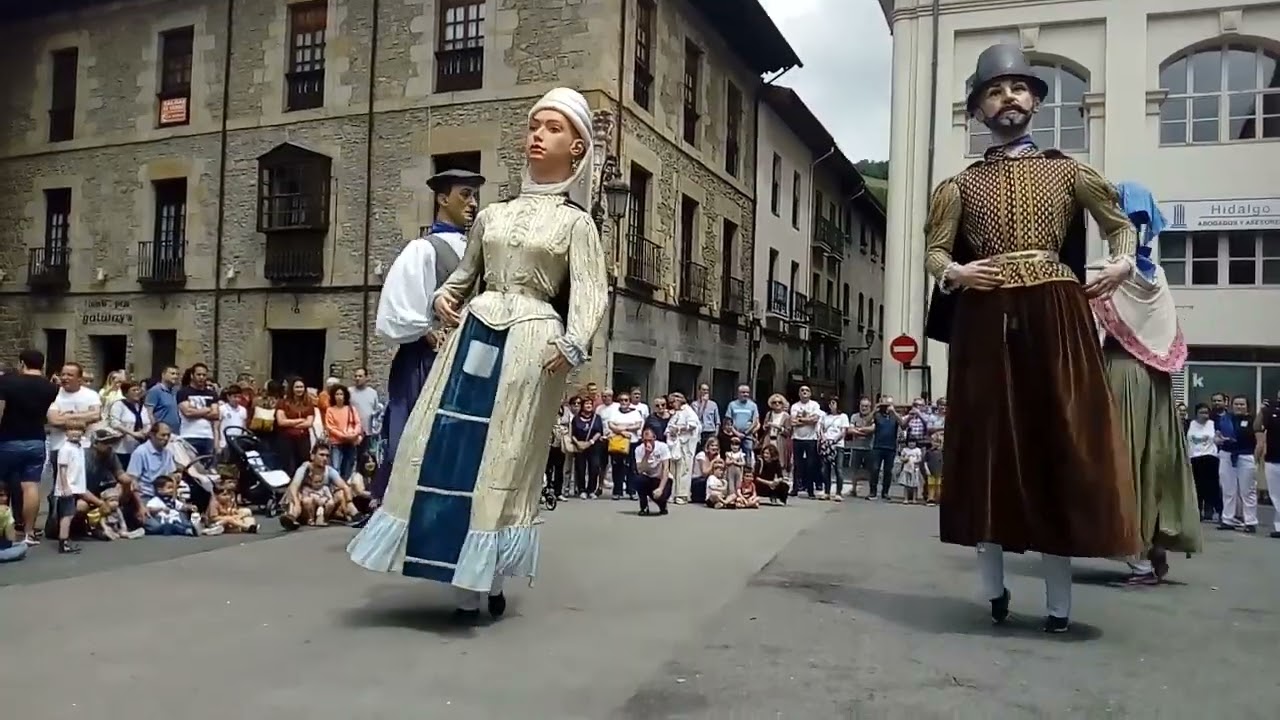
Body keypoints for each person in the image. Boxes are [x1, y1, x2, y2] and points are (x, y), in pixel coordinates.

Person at [348, 87, 609, 624]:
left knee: (506, 452)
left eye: (553, 128)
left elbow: (590, 291)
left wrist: (573, 342)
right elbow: (466, 277)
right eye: (534, 125)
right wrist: (444, 298)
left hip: (533, 339)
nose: (538, 135)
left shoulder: (576, 224)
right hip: (477, 331)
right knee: (449, 441)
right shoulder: (493, 215)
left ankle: (485, 571)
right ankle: (446, 558)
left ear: (577, 147)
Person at [922, 43, 1138, 633]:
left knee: (1059, 439)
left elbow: (1120, 228)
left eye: (1018, 88)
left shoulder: (1071, 171)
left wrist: (1122, 264)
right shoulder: (957, 186)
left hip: (1055, 311)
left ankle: (1058, 602)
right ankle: (994, 587)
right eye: (994, 91)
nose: (1007, 98)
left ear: (1036, 101)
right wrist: (957, 272)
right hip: (984, 312)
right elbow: (934, 251)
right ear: (978, 110)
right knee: (986, 444)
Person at [1087, 181, 1201, 583]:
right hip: (1157, 379)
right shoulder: (1158, 274)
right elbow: (1166, 332)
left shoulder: (1106, 269)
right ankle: (1154, 542)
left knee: (1124, 457)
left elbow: (1090, 326)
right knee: (1157, 458)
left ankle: (1136, 549)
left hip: (1120, 371)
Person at [368, 166, 486, 504]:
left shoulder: (477, 250)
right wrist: (426, 333)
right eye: (465, 195)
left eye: (475, 196)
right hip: (428, 361)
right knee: (417, 438)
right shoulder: (423, 249)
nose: (472, 203)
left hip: (468, 359)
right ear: (442, 198)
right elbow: (396, 310)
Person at [0, 349, 59, 546]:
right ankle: (28, 532)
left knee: (2, 483)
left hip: (8, 439)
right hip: (36, 440)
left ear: (22, 363)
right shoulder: (50, 387)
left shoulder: (7, 382)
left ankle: (3, 528)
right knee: (30, 485)